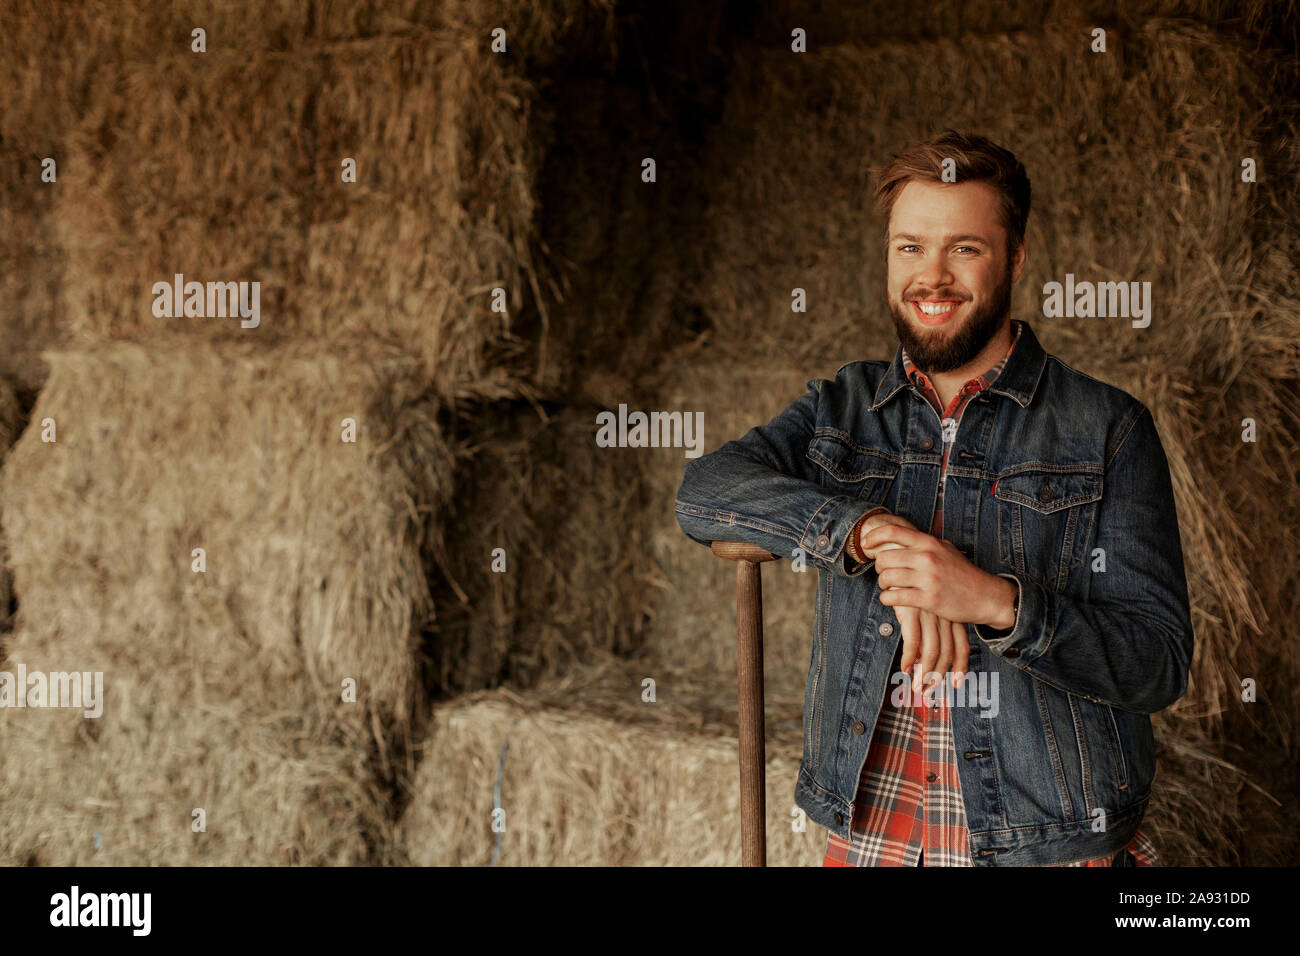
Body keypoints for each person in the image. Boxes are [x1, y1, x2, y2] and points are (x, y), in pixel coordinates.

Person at [674, 130, 1194, 866]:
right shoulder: (844, 406)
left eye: (965, 249)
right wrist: (873, 534)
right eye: (910, 247)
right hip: (875, 834)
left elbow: (1157, 663)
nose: (932, 276)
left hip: (1044, 841)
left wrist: (991, 601)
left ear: (1015, 259)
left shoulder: (1106, 429)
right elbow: (705, 492)